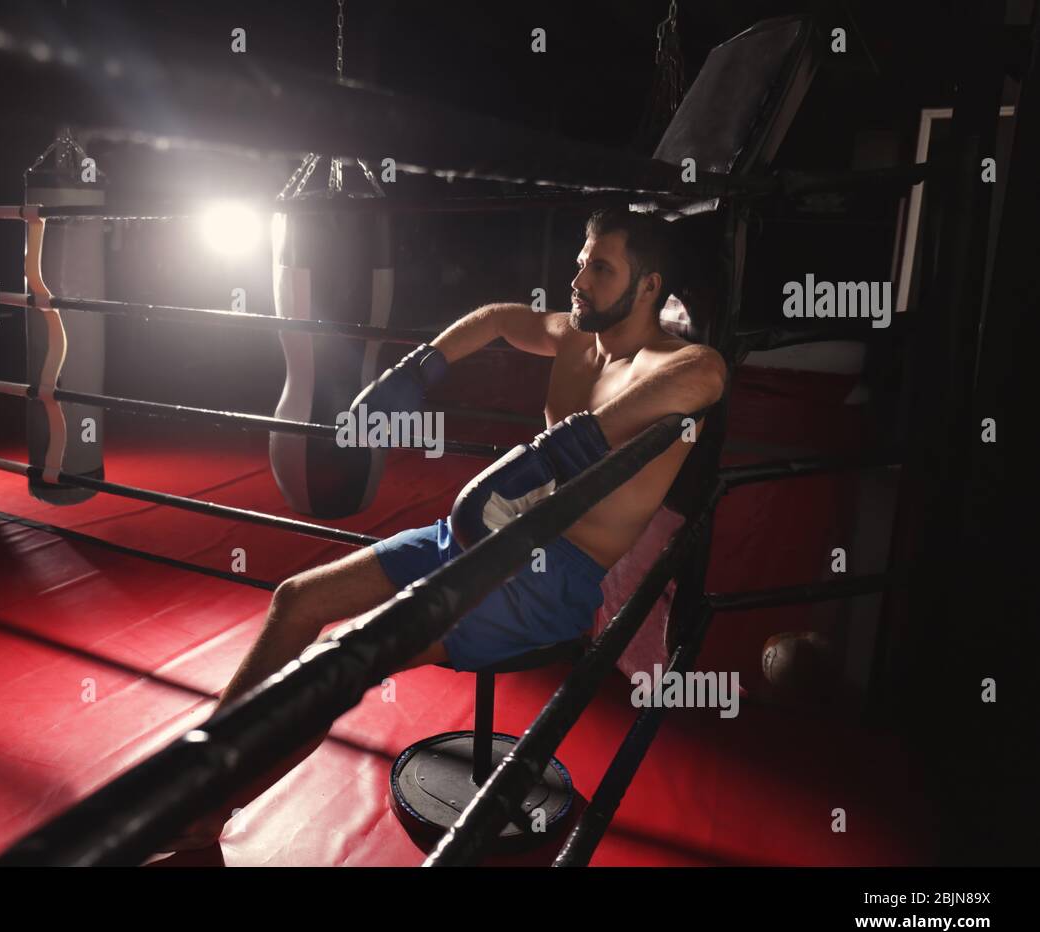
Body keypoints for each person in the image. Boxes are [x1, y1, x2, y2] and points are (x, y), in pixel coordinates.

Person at [163, 209, 726, 851]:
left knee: (334, 661)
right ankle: (184, 783)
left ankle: (202, 821)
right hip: (480, 533)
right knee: (298, 599)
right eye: (580, 260)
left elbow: (709, 374)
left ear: (648, 287)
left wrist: (563, 450)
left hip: (549, 581)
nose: (579, 278)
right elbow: (492, 319)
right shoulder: (573, 335)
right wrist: (418, 370)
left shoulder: (674, 364)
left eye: (600, 268)